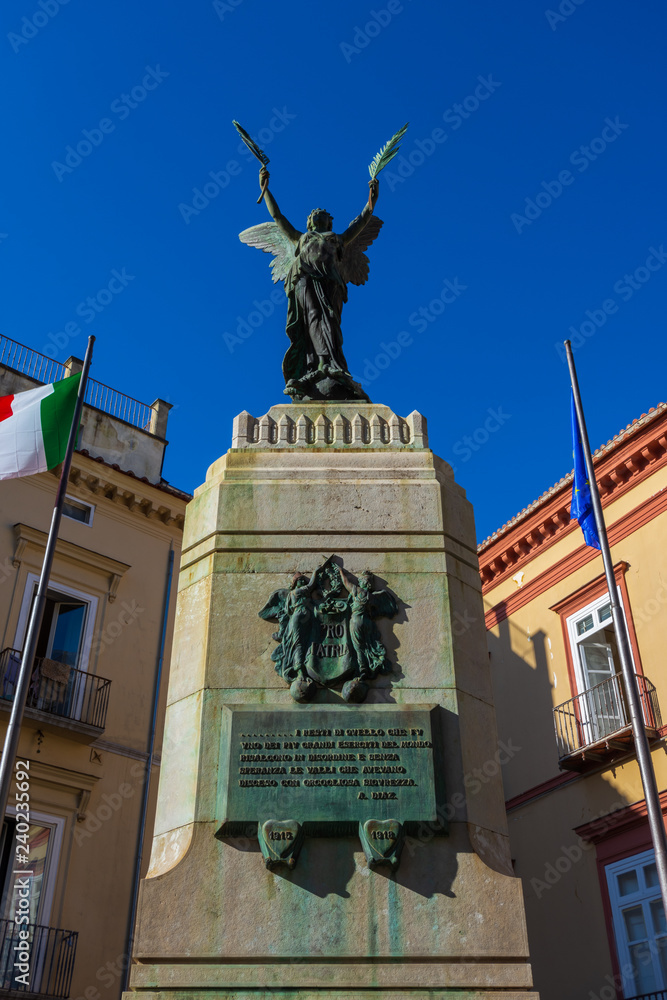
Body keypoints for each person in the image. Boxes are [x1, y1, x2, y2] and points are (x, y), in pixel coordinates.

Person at [258, 166, 379, 398]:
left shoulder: (338, 239)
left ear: (328, 222)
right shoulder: (301, 238)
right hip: (304, 280)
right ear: (310, 222)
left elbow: (362, 221)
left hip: (330, 282)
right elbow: (278, 217)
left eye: (322, 213)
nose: (318, 213)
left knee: (330, 320)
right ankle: (317, 365)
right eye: (314, 213)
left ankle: (332, 365)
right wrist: (265, 189)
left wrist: (371, 200)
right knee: (311, 317)